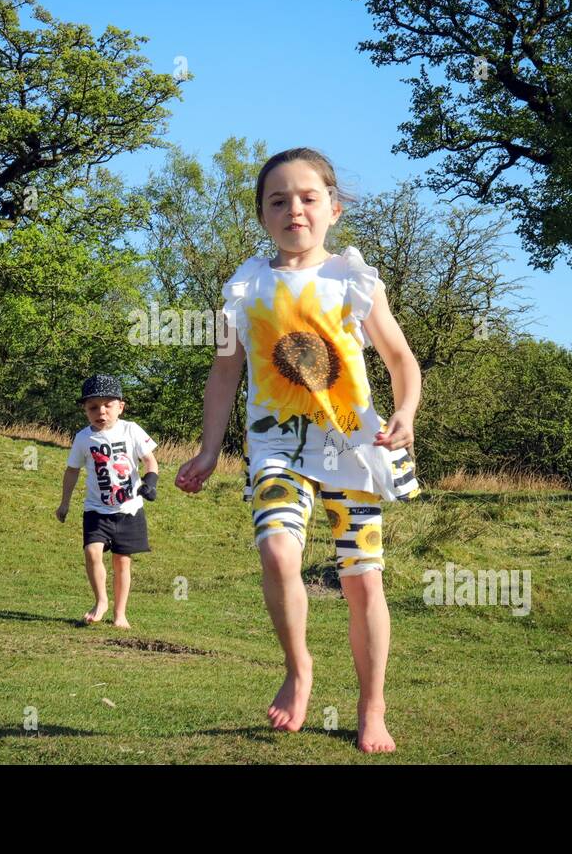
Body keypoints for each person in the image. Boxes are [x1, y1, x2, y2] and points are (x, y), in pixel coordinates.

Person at [175, 148, 422, 753]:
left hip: (353, 448)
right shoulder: (245, 284)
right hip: (276, 448)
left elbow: (399, 359)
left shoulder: (352, 278)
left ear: (333, 208)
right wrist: (210, 450)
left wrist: (406, 414)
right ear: (262, 214)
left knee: (362, 582)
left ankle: (372, 706)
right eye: (278, 200)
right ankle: (298, 667)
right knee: (280, 553)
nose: (295, 210)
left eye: (308, 198)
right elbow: (224, 371)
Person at [57, 374, 159, 628]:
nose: (100, 412)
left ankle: (120, 613)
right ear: (85, 410)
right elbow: (72, 471)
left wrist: (151, 483)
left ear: (120, 407)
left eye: (107, 405)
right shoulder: (83, 438)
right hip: (96, 509)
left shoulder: (131, 430)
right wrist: (64, 503)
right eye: (93, 407)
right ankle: (101, 601)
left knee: (122, 562)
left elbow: (149, 460)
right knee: (92, 552)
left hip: (129, 510)